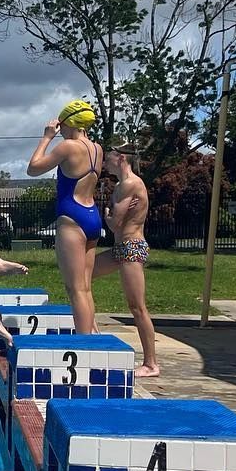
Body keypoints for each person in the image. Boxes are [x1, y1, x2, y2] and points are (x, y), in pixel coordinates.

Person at [28, 100, 103, 333]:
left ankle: (84, 346)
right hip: (92, 217)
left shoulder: (69, 147)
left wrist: (47, 137)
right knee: (86, 288)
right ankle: (91, 335)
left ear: (69, 123)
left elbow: (33, 168)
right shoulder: (97, 149)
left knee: (76, 289)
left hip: (72, 219)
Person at [94, 147, 159, 377]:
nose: (104, 164)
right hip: (120, 248)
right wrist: (112, 212)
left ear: (121, 158)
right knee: (82, 275)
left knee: (137, 307)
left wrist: (108, 211)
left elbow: (113, 224)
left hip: (131, 248)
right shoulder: (122, 185)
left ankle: (151, 364)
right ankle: (91, 332)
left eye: (108, 158)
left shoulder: (129, 184)